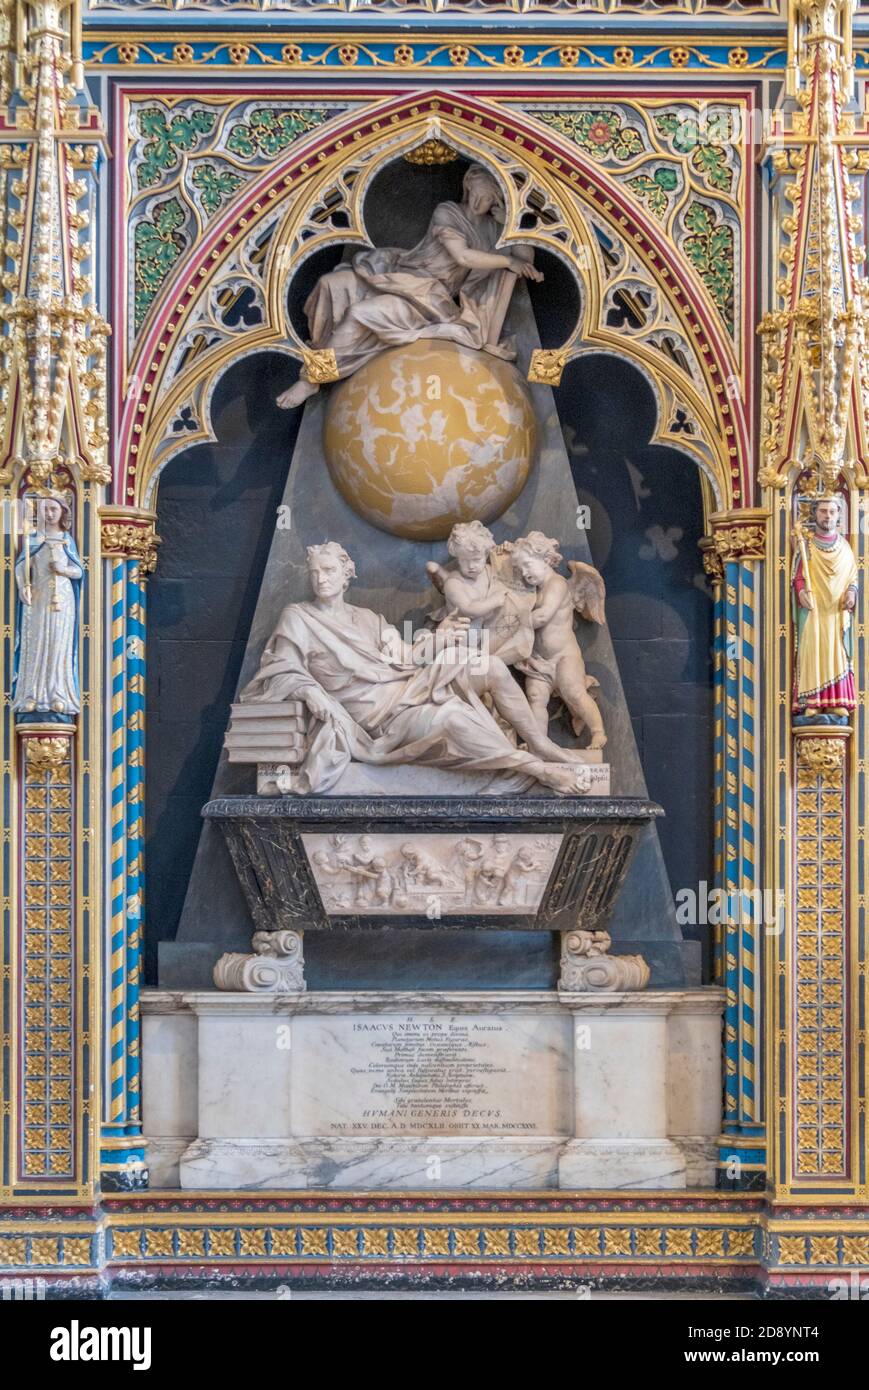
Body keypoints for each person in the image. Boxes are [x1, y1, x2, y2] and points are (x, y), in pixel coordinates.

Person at [237, 541, 590, 796]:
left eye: (329, 571)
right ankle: (537, 769)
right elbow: (280, 668)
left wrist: (440, 638)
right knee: (452, 718)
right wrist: (310, 690)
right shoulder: (298, 617)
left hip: (407, 684)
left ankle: (540, 745)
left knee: (492, 666)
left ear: (348, 575)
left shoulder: (368, 618)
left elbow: (407, 656)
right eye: (314, 572)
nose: (320, 579)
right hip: (379, 717)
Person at [277, 164, 542, 409]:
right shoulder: (448, 211)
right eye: (476, 193)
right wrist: (508, 259)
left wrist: (510, 221)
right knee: (329, 284)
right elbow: (462, 255)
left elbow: (524, 259)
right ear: (468, 184)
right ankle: (325, 350)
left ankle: (312, 379)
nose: (478, 202)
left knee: (359, 314)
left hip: (427, 297)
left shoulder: (492, 230)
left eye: (488, 199)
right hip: (401, 274)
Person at [511, 532, 607, 750]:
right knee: (535, 698)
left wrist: (512, 625)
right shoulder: (533, 591)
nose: (525, 573)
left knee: (574, 693)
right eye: (521, 569)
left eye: (527, 565)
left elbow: (543, 616)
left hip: (564, 656)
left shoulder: (557, 584)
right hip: (539, 661)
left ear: (545, 559)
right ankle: (539, 745)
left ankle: (598, 733)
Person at [13, 493, 83, 720]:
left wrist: (63, 569)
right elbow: (22, 565)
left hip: (62, 602)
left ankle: (58, 692)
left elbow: (78, 571)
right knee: (37, 642)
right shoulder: (34, 538)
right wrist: (24, 585)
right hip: (40, 597)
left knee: (57, 644)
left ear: (63, 511)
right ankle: (33, 692)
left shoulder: (66, 540)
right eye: (45, 509)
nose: (49, 513)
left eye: (54, 509)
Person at [792, 496, 858, 722]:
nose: (827, 516)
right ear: (815, 514)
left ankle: (837, 701)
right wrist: (801, 593)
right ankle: (813, 701)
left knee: (837, 654)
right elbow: (799, 576)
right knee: (813, 653)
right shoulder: (807, 546)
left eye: (831, 511)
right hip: (814, 612)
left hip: (836, 614)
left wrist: (851, 593)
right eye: (823, 511)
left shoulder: (845, 548)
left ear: (838, 514)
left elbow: (852, 577)